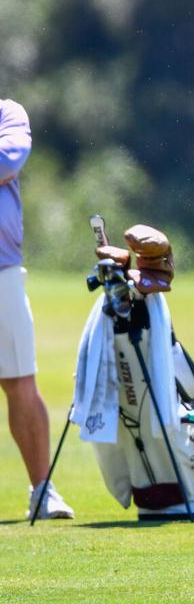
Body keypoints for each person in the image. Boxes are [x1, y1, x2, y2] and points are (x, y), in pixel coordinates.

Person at [0, 98, 73, 520]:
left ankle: (42, 491)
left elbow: (8, 160)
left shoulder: (8, 113)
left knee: (20, 382)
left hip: (2, 272)